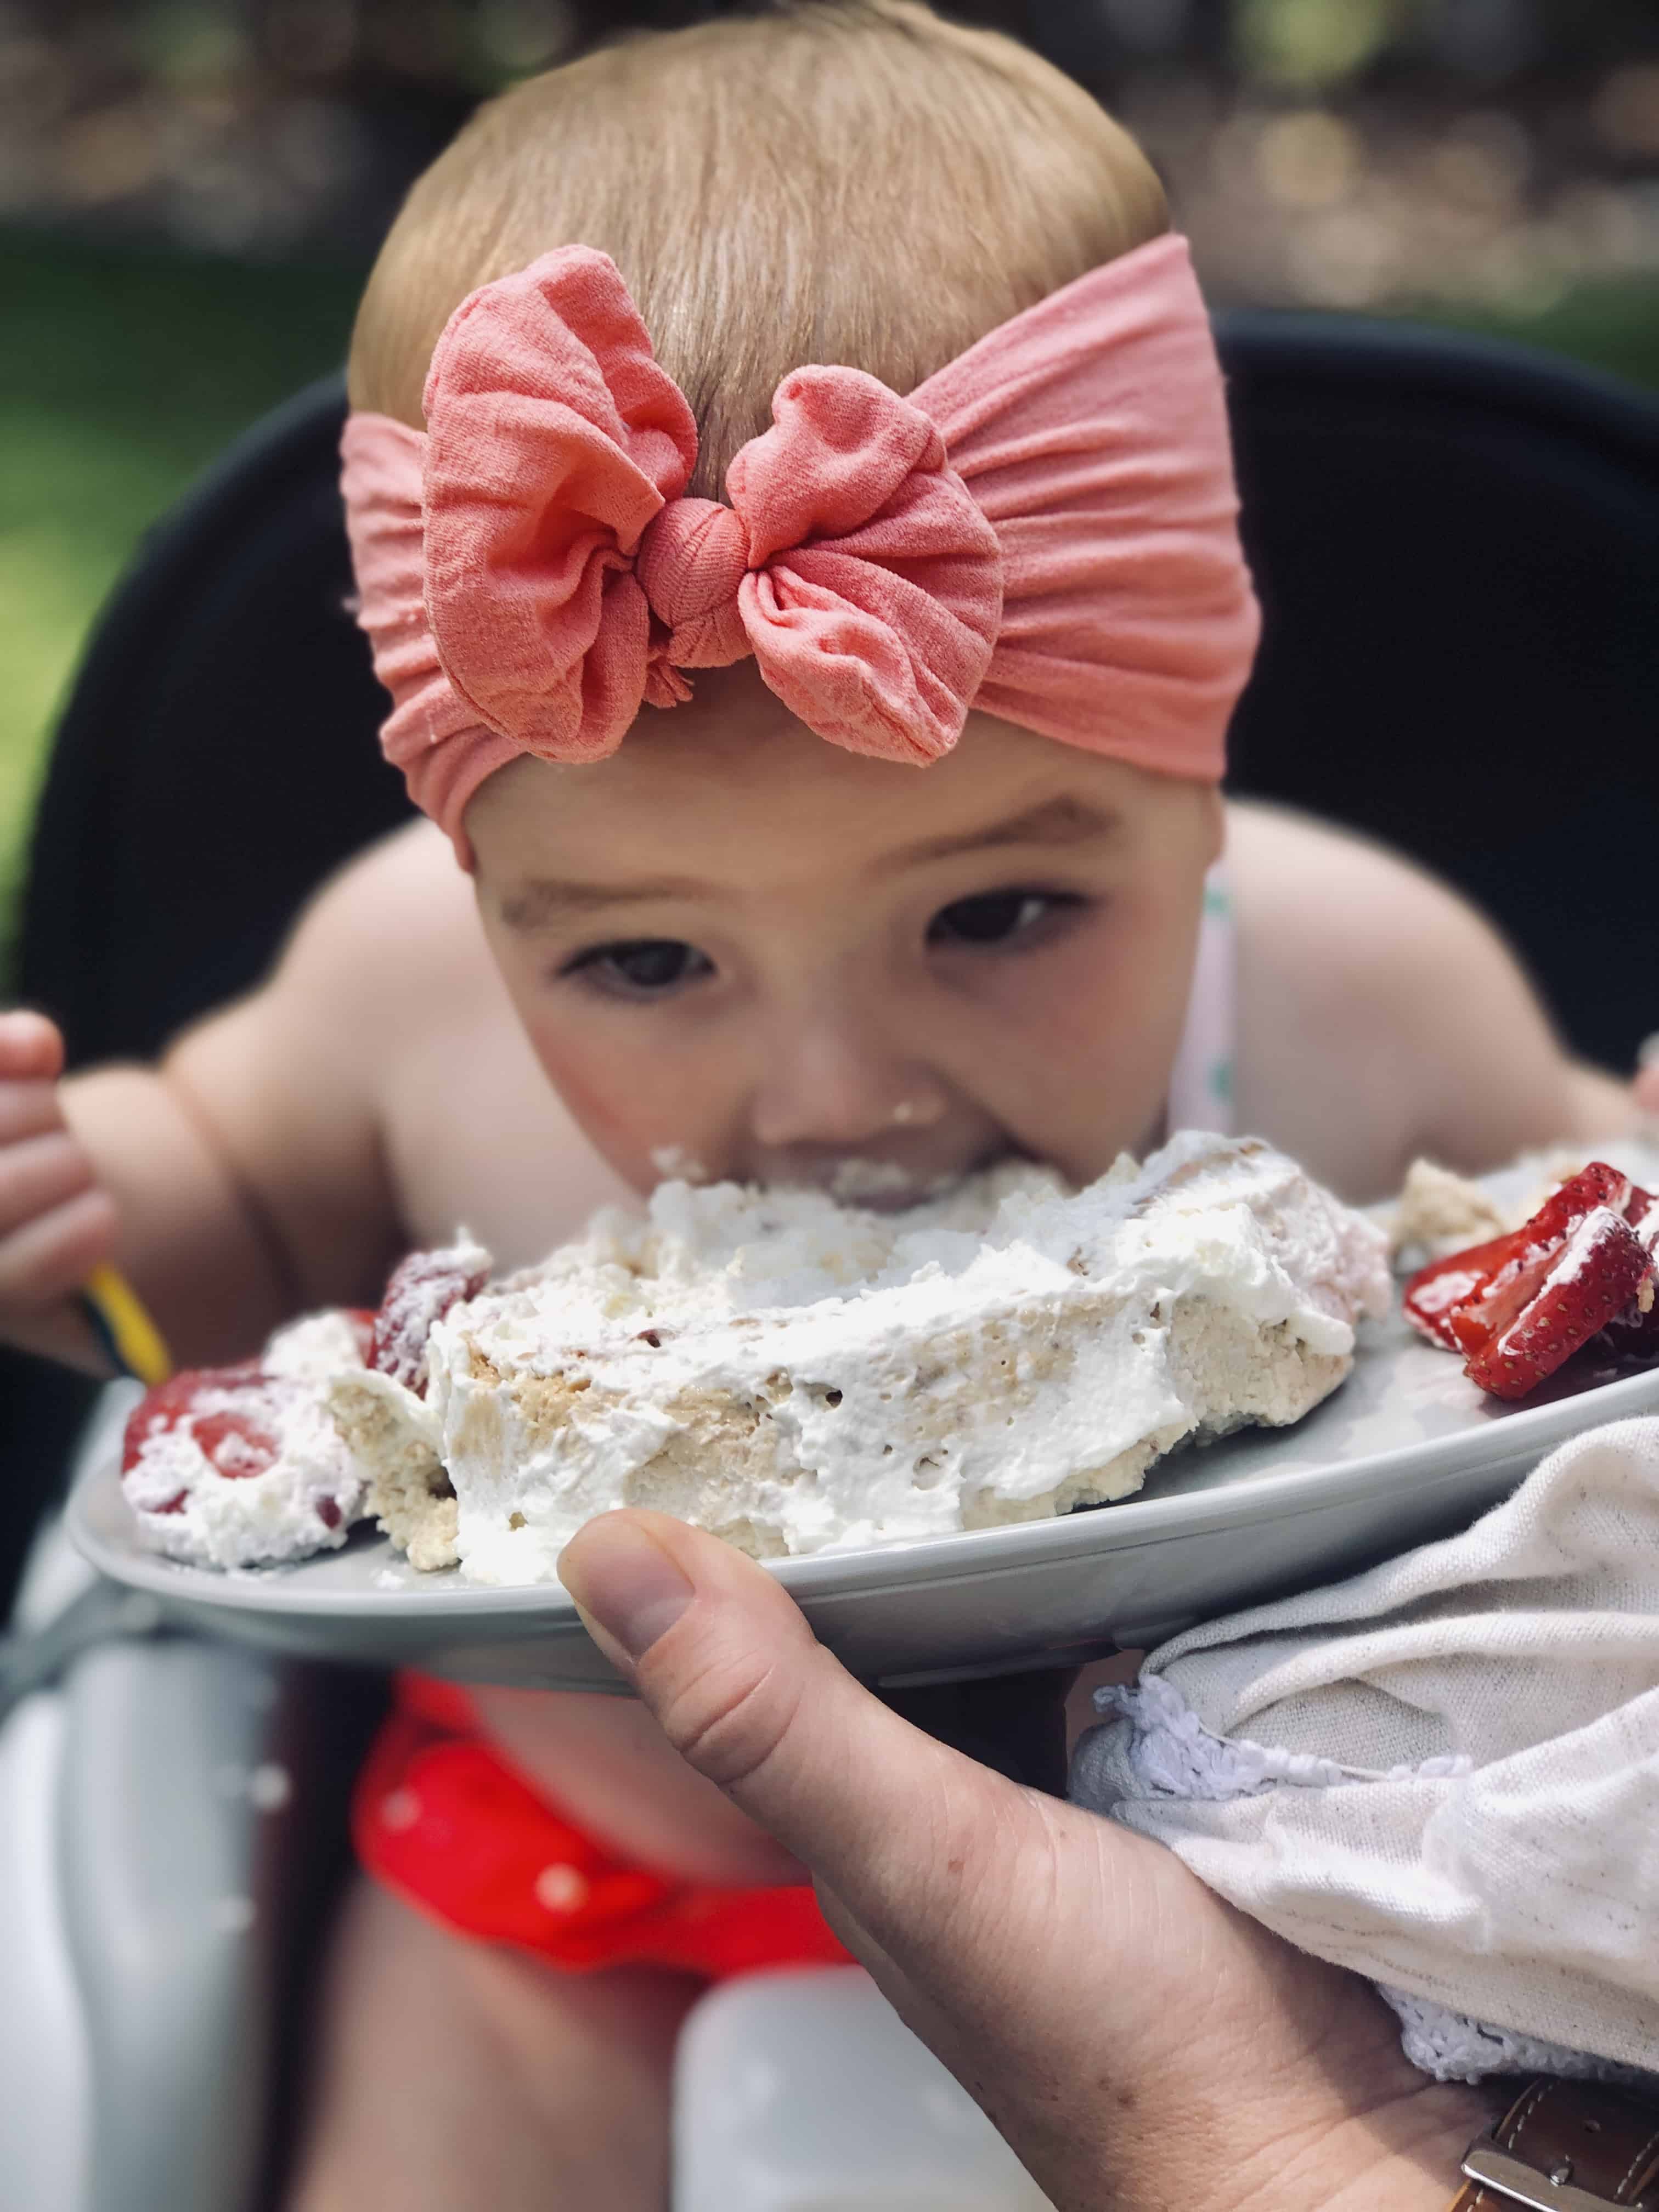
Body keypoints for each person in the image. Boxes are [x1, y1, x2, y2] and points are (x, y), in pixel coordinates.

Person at [0, 4, 1644, 2203]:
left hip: (1242, 1931)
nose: (838, 1091)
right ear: (483, 885)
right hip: (567, 1893)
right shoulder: (402, 991)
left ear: (1197, 786)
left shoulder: (1354, 988)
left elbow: (1576, 1230)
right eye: (646, 963)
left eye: (1000, 916)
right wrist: (79, 1195)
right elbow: (230, 1215)